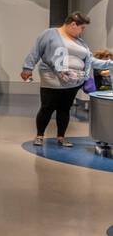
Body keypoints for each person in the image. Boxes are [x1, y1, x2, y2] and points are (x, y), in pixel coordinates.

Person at [22, 12, 113, 148]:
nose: (82, 31)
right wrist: (27, 68)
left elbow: (90, 60)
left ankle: (61, 137)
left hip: (74, 81)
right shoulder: (50, 34)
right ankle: (40, 136)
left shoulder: (80, 42)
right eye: (82, 28)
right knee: (47, 108)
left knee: (65, 109)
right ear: (73, 24)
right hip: (52, 78)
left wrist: (109, 63)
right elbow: (36, 51)